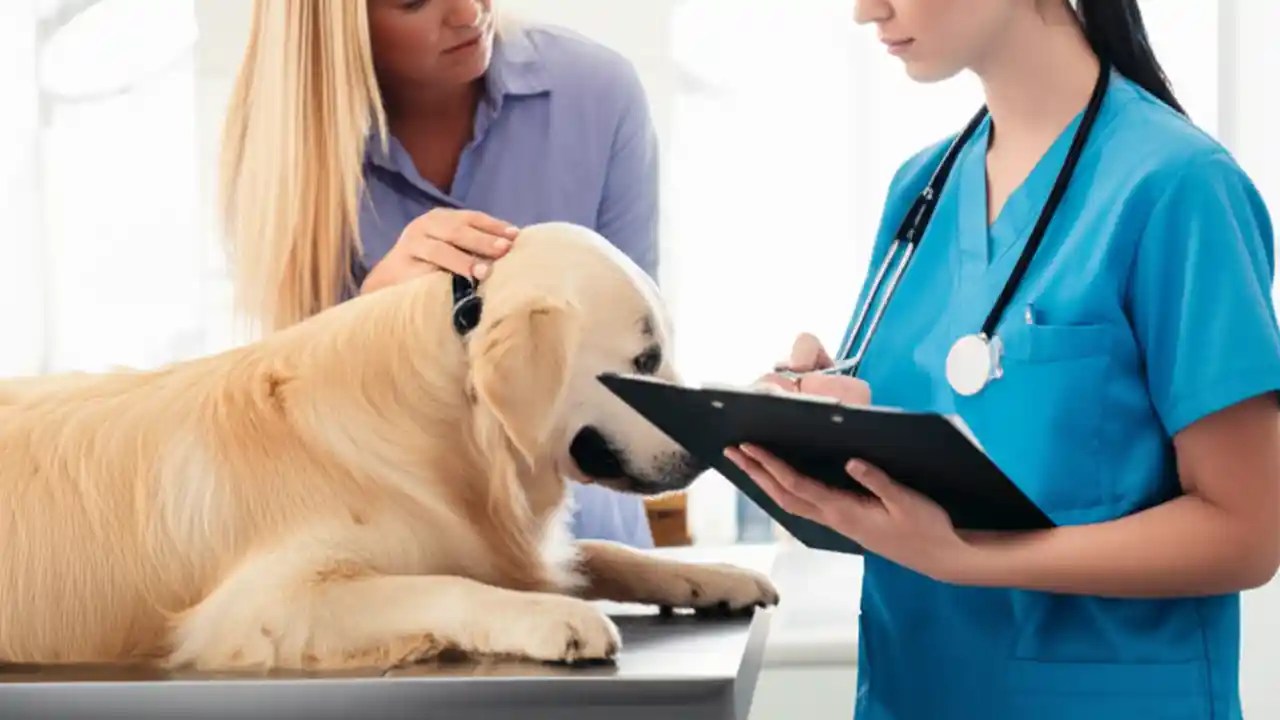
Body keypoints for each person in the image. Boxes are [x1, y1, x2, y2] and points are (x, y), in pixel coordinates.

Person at [726, 0, 1280, 717]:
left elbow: (1246, 532)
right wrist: (826, 422)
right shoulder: (919, 191)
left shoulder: (1179, 187)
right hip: (913, 691)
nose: (868, 10)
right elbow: (951, 436)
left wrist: (970, 559)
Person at [218, 0, 658, 548]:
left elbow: (637, 361)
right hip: (398, 576)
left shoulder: (597, 94)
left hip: (590, 558)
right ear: (335, 27)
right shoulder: (278, 164)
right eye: (413, 2)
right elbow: (292, 441)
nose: (469, 10)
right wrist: (376, 318)